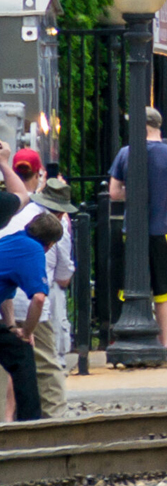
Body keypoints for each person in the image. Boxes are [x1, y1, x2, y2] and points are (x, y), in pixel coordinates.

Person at [106, 108, 167, 356]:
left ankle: (127, 334)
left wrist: (132, 194)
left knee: (130, 286)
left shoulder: (125, 153)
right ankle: (164, 342)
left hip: (131, 230)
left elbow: (114, 193)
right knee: (164, 291)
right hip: (160, 229)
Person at [0, 178, 74, 416]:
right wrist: (27, 332)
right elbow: (47, 292)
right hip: (32, 309)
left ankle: (10, 419)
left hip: (12, 308)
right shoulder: (40, 244)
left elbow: (5, 292)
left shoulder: (18, 229)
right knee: (38, 363)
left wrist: (11, 325)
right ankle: (47, 419)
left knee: (12, 359)